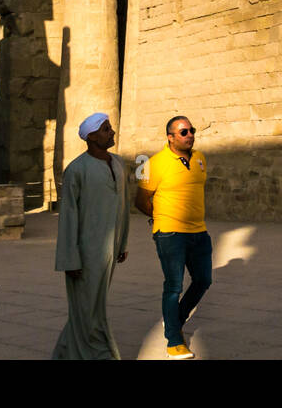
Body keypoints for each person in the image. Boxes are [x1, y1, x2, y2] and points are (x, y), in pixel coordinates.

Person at [52, 112, 129, 360]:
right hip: (84, 253)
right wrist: (69, 259)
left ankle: (65, 354)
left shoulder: (118, 163)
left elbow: (123, 207)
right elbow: (68, 217)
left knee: (91, 307)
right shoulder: (76, 170)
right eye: (106, 129)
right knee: (87, 309)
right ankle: (99, 353)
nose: (112, 132)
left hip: (109, 249)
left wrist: (122, 242)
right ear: (92, 137)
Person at [136, 115, 212, 360]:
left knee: (203, 280)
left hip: (199, 231)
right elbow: (141, 200)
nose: (190, 135)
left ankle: (174, 319)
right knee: (174, 286)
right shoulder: (154, 163)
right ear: (170, 137)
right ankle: (174, 341)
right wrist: (161, 218)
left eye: (192, 130)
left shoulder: (200, 158)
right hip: (170, 233)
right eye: (183, 132)